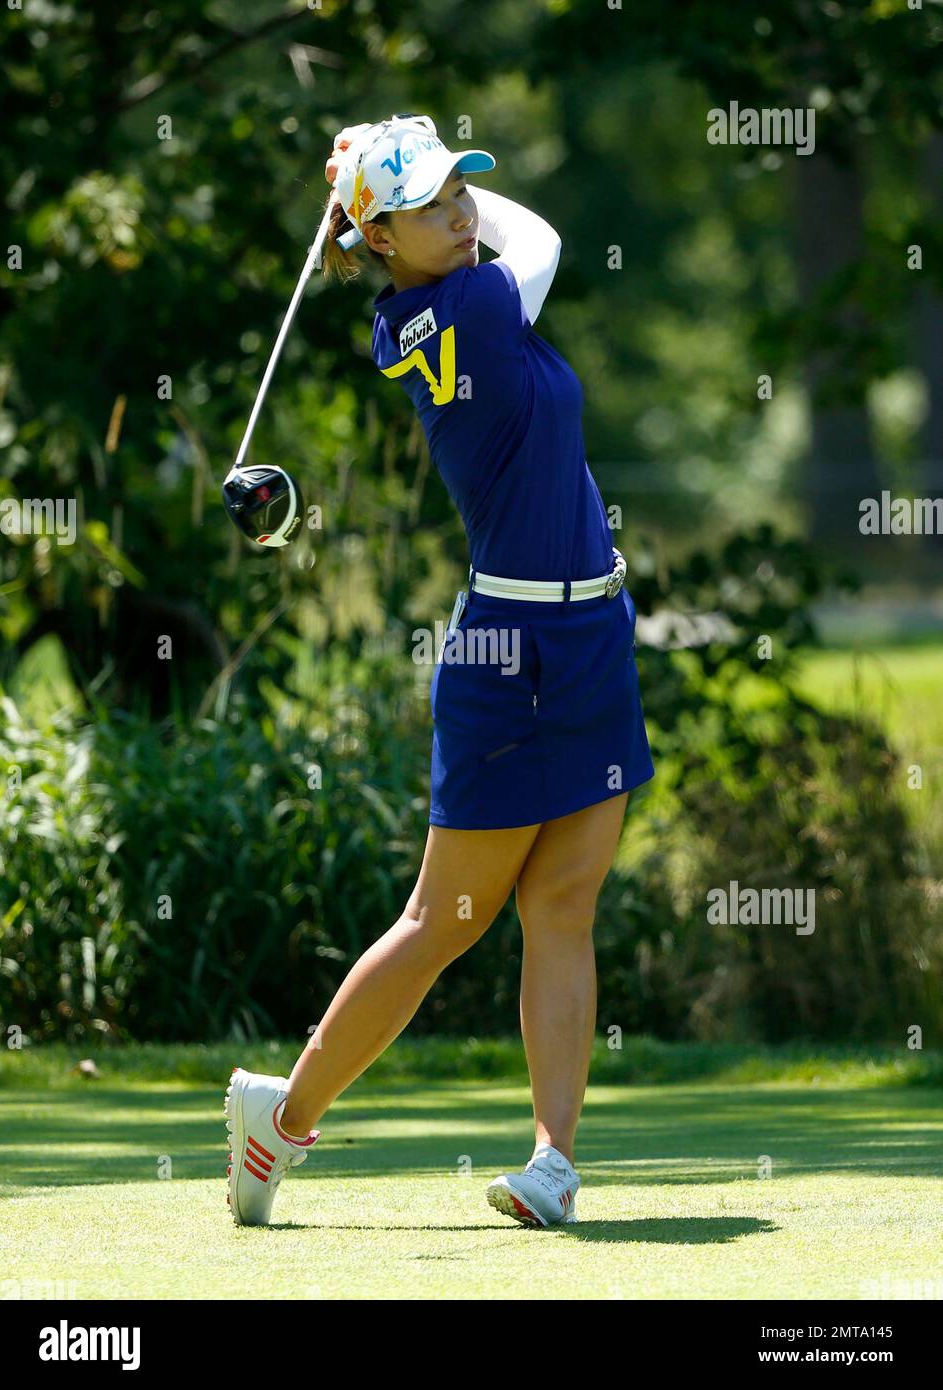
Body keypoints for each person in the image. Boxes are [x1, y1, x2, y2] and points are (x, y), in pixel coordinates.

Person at [224, 115, 655, 1230]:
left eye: (464, 193)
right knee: (447, 916)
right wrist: (375, 179)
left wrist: (389, 179)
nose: (462, 213)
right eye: (430, 205)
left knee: (563, 902)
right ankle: (284, 1116)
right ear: (377, 240)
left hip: (592, 633)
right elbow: (544, 236)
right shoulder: (457, 304)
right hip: (507, 654)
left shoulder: (457, 293)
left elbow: (504, 234)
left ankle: (553, 1161)